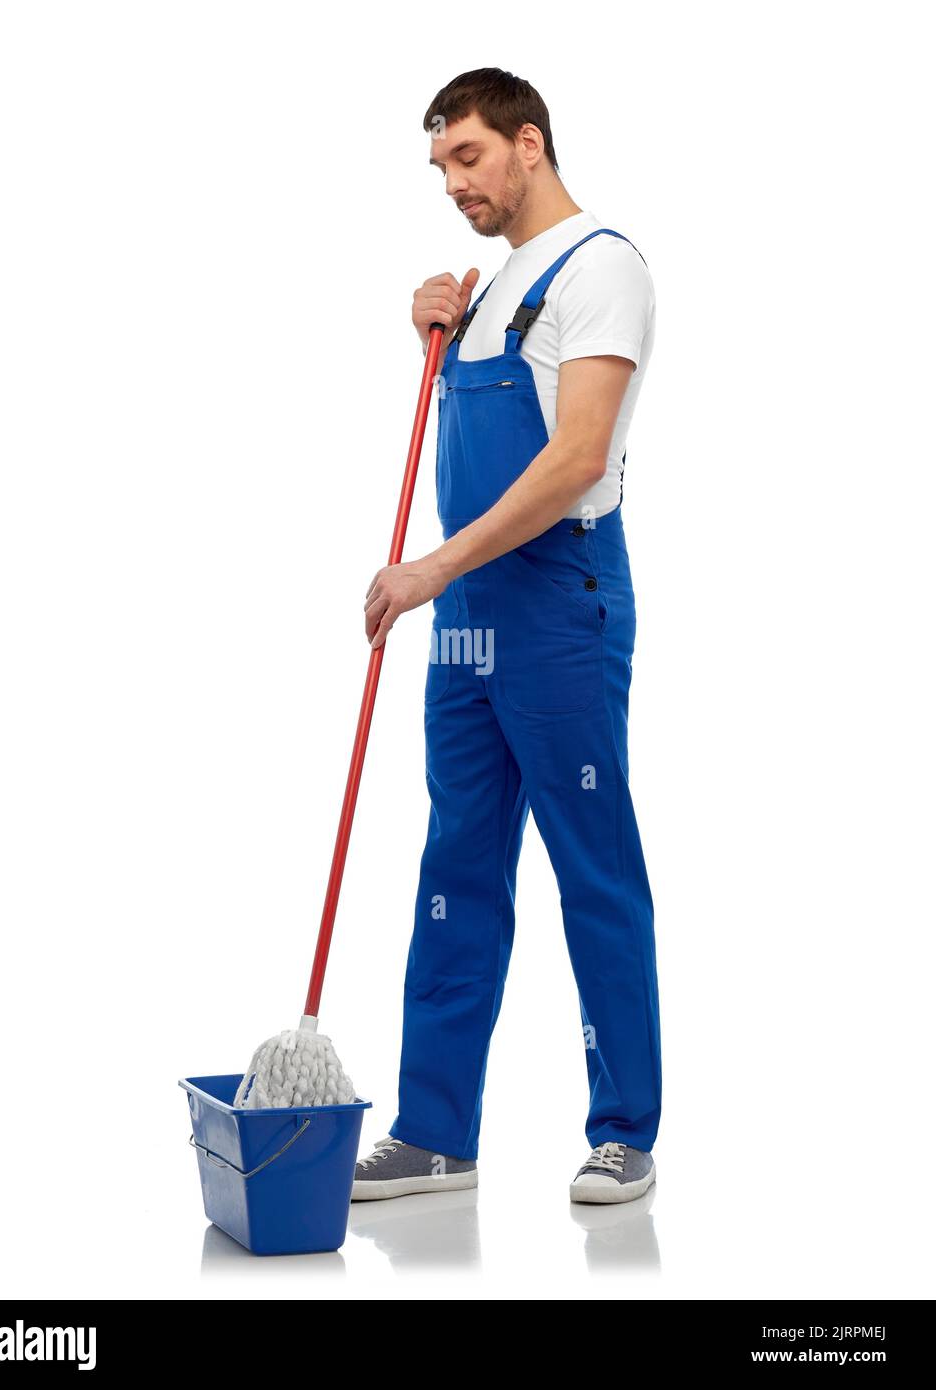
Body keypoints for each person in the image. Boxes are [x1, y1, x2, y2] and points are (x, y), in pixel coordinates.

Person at [353, 68, 661, 1206]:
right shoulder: (484, 290)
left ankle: (623, 1129)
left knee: (592, 865)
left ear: (529, 143)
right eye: (440, 167)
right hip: (471, 618)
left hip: (555, 603)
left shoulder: (602, 268)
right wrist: (432, 335)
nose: (452, 184)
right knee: (457, 864)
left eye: (469, 157)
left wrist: (431, 567)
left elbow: (575, 456)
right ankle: (435, 1130)